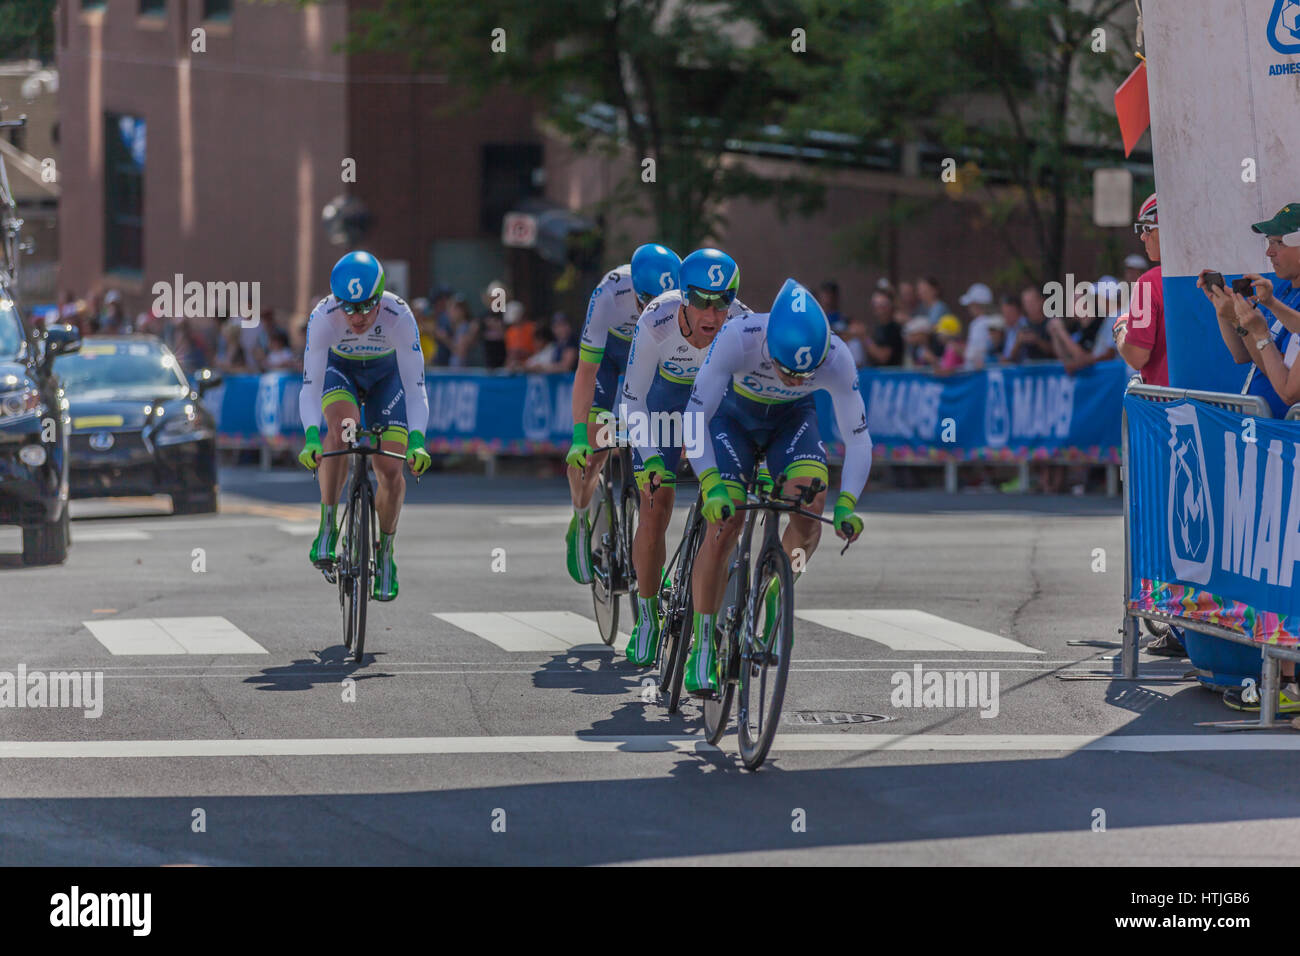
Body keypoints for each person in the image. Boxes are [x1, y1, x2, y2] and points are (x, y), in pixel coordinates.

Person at [681, 278, 869, 696]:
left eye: (808, 373)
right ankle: (703, 642)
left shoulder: (837, 356)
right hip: (734, 420)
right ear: (770, 347)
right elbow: (694, 419)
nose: (797, 379)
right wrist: (711, 483)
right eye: (788, 370)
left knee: (810, 505)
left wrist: (848, 503)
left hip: (791, 423)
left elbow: (858, 439)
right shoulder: (738, 337)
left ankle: (778, 585)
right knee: (724, 522)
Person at [620, 249, 749, 666]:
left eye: (723, 300)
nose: (713, 313)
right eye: (701, 300)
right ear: (682, 295)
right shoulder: (656, 320)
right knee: (655, 506)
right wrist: (652, 458)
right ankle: (647, 614)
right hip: (664, 405)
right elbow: (632, 397)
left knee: (728, 509)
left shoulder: (743, 323)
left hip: (716, 409)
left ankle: (707, 629)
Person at [296, 251, 431, 601]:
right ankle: (327, 523)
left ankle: (385, 553)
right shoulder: (323, 316)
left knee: (389, 469)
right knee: (342, 429)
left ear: (380, 296)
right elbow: (310, 386)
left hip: (387, 378)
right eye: (349, 307)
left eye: (366, 306)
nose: (357, 317)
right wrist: (311, 436)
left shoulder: (398, 314)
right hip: (341, 371)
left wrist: (417, 440)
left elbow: (415, 388)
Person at [563, 243, 682, 585]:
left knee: (659, 482)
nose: (654, 310)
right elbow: (586, 371)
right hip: (612, 358)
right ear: (634, 292)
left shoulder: (679, 302)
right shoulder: (610, 293)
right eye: (646, 302)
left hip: (655, 360)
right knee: (594, 451)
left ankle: (652, 559)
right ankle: (582, 515)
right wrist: (578, 436)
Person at [1113, 194, 1168, 386]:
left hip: (1167, 407)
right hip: (1223, 408)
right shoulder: (1218, 275)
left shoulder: (1149, 282)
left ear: (1168, 229)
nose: (1143, 237)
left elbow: (1136, 357)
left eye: (1147, 228)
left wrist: (1120, 328)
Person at [1006, 286, 1055, 362]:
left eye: (1032, 302)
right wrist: (1018, 342)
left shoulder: (1053, 323)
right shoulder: (1022, 324)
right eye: (1026, 302)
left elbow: (1058, 353)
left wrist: (1037, 341)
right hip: (1028, 371)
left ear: (1042, 301)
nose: (1030, 306)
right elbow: (1010, 359)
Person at [960, 283, 1000, 370]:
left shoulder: (979, 324)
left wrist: (957, 349)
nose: (969, 307)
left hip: (976, 374)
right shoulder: (984, 322)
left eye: (971, 304)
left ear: (977, 304)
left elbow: (974, 354)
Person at [863, 287, 904, 366]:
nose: (878, 309)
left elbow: (883, 357)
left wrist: (865, 338)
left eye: (882, 305)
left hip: (892, 376)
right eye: (875, 304)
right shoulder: (878, 327)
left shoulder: (893, 328)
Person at [504, 300, 538, 370]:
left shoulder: (533, 328)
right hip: (516, 368)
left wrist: (523, 353)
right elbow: (509, 353)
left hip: (533, 366)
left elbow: (540, 351)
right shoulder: (509, 332)